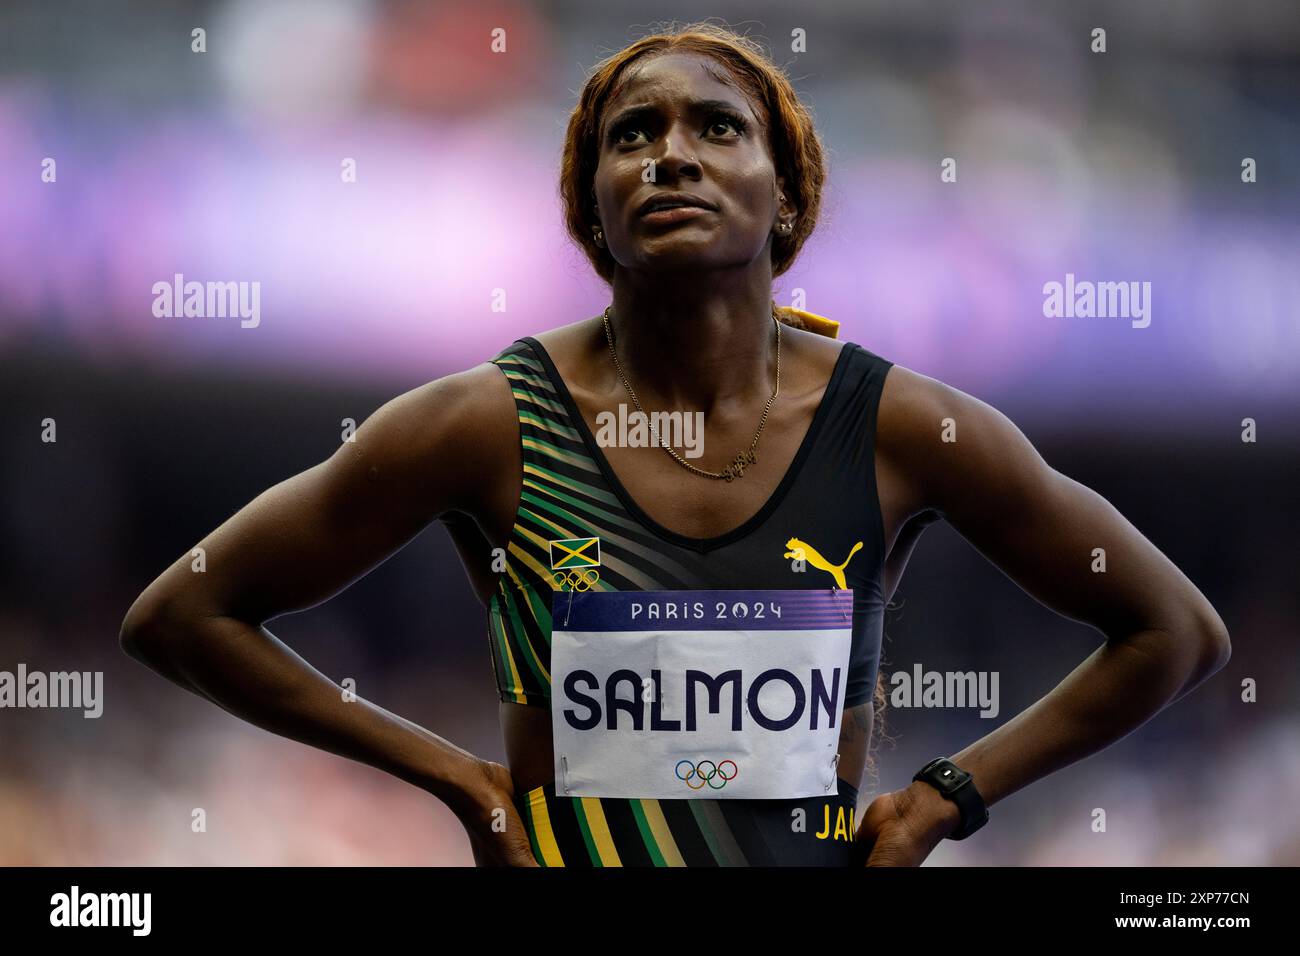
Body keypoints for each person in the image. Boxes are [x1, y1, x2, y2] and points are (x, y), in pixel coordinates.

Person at [119, 23, 1231, 866]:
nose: (671, 156)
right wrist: (458, 778)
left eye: (716, 127)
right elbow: (182, 614)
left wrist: (946, 793)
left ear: (787, 197)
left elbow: (1172, 630)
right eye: (633, 135)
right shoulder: (491, 422)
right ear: (591, 210)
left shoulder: (900, 426)